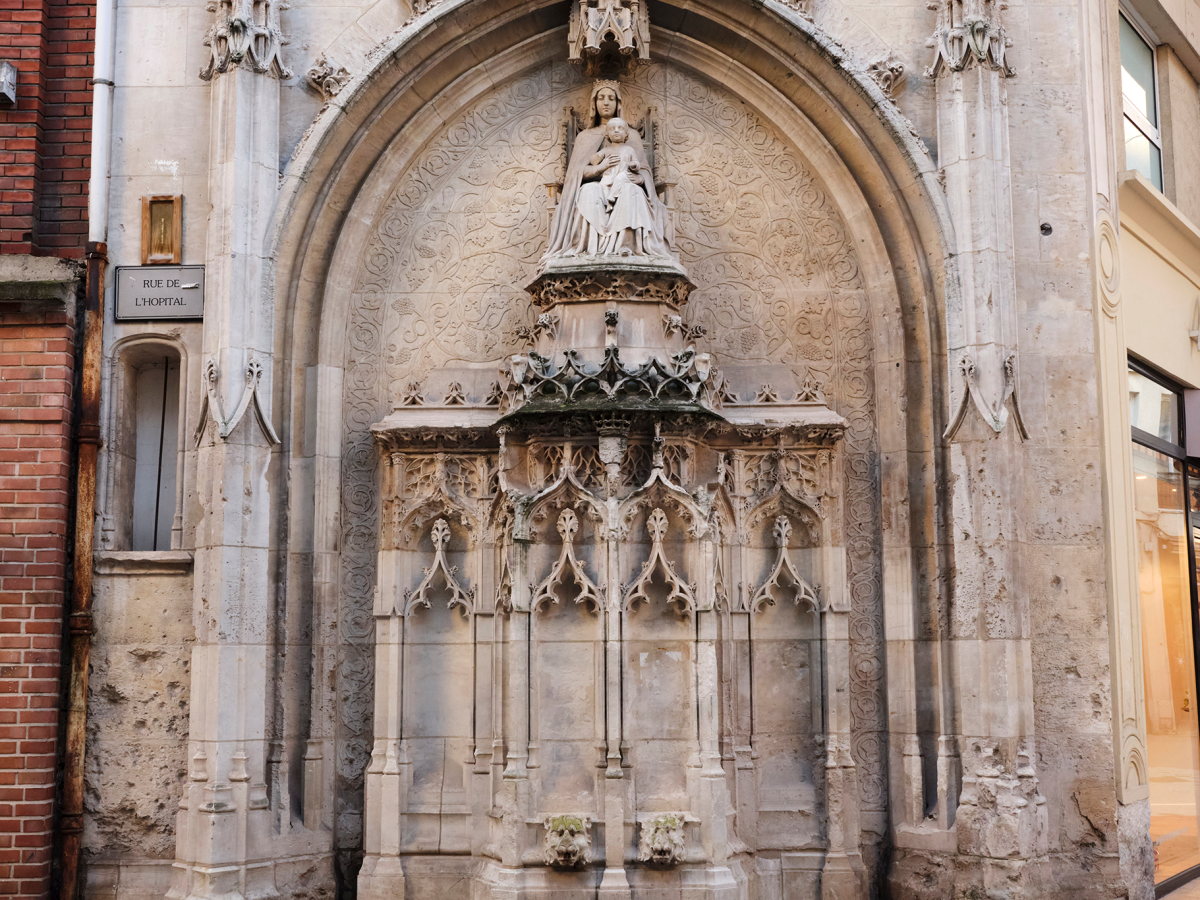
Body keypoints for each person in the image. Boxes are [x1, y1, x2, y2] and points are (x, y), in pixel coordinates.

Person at [542, 80, 672, 262]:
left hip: (626, 184)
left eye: (611, 98)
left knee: (630, 191)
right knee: (588, 191)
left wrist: (640, 179)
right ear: (594, 103)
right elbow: (576, 174)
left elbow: (643, 169)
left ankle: (624, 247)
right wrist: (600, 168)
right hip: (599, 186)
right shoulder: (584, 136)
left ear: (618, 104)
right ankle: (590, 250)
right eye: (601, 98)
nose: (605, 102)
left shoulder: (632, 135)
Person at [596, 118, 658, 256]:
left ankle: (613, 198)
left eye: (620, 128)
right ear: (607, 135)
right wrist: (600, 163)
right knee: (603, 186)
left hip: (624, 179)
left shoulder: (629, 149)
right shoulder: (606, 149)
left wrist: (635, 168)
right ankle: (609, 198)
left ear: (626, 134)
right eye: (612, 129)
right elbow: (594, 160)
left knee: (623, 180)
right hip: (607, 178)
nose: (616, 131)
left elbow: (637, 163)